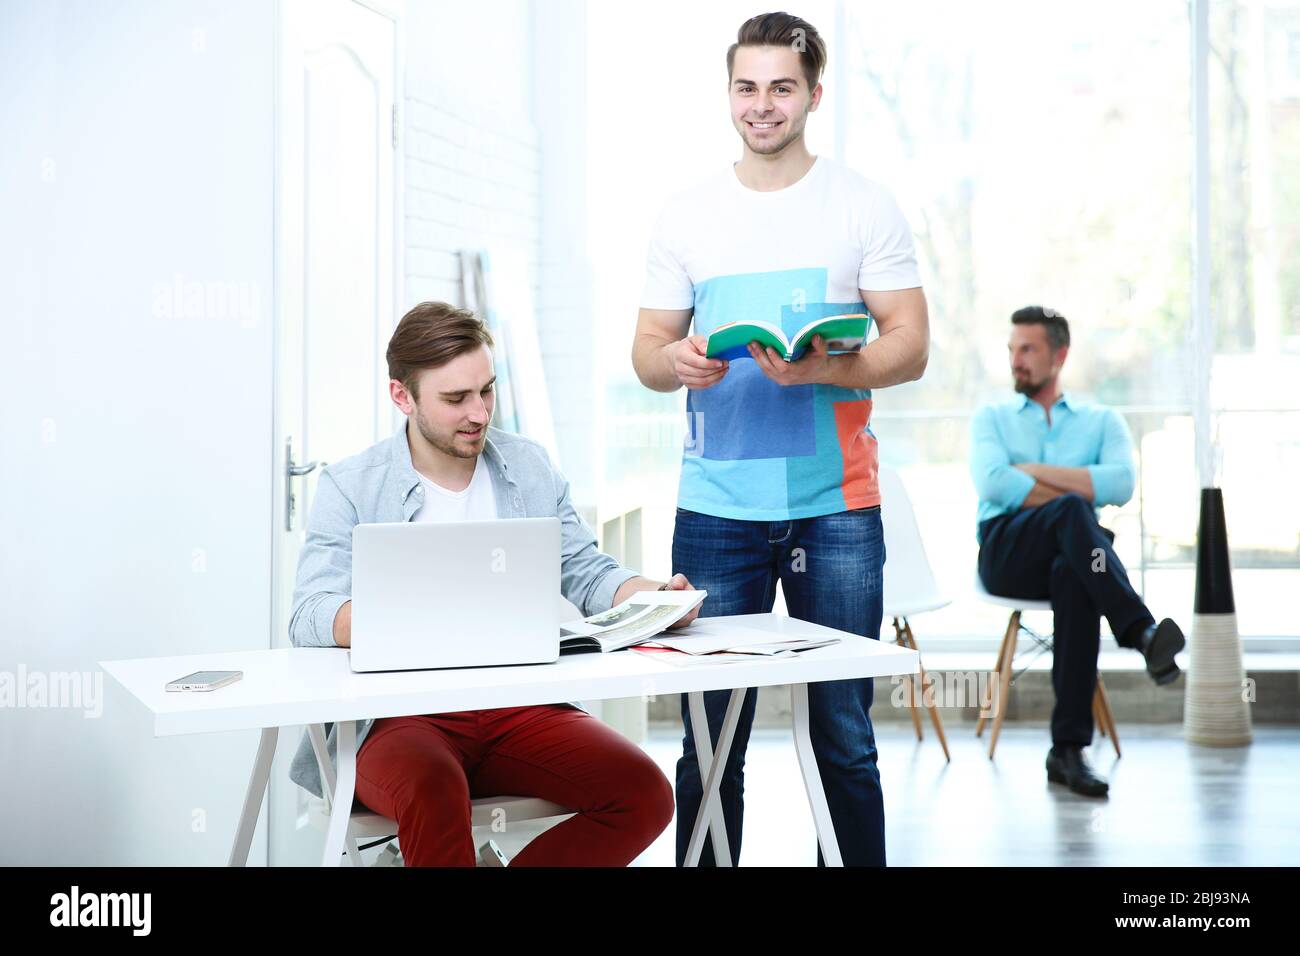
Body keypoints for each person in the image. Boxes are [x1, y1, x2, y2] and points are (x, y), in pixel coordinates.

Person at [631, 12, 929, 866]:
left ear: (813, 95)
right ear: (730, 93)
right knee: (710, 741)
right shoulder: (687, 213)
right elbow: (646, 356)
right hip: (714, 511)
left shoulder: (861, 204)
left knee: (844, 732)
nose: (762, 105)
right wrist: (677, 360)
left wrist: (825, 372)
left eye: (781, 88)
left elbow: (910, 345)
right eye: (747, 87)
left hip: (835, 508)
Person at [288, 301, 692, 866]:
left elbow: (584, 569)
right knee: (432, 790)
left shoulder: (527, 465)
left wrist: (653, 599)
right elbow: (309, 613)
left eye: (487, 390)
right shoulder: (352, 485)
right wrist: (401, 615)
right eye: (455, 399)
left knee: (642, 794)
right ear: (402, 397)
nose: (479, 413)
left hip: (519, 707)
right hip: (402, 716)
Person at [970, 305, 1186, 798]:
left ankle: (1066, 751)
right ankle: (1140, 631)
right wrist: (1076, 494)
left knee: (1075, 570)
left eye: (1027, 349)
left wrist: (1031, 471)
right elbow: (993, 482)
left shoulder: (1100, 420)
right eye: (1011, 350)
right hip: (1006, 553)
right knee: (1074, 515)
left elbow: (1122, 483)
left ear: (1059, 354)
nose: (1015, 360)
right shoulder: (992, 416)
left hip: (1074, 560)